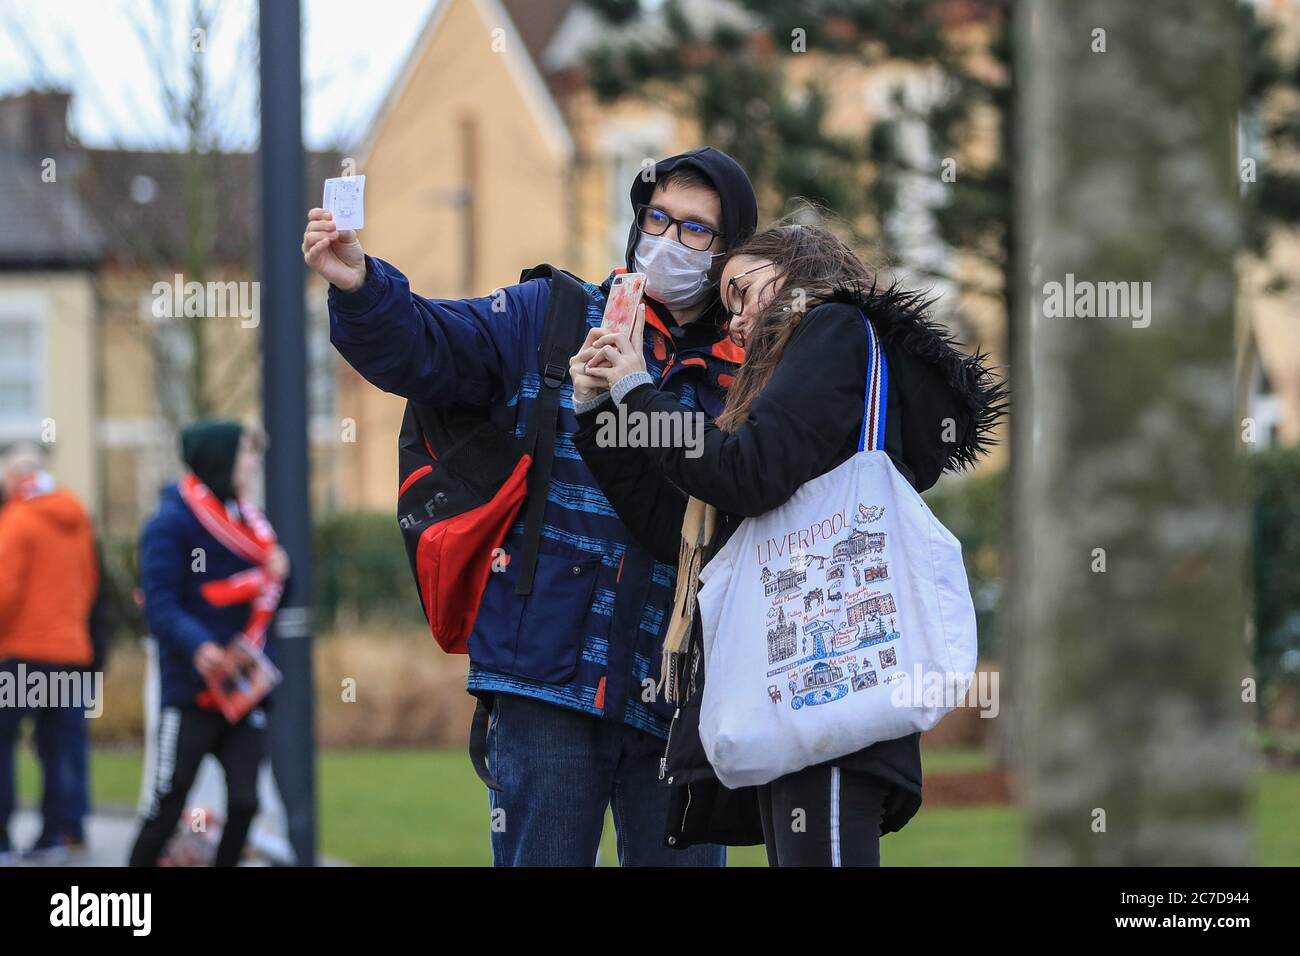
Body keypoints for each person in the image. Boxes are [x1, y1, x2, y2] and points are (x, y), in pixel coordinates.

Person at [305, 147, 758, 866]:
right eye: (658, 219)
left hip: (679, 693)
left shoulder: (744, 377)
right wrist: (362, 286)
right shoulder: (552, 316)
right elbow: (430, 346)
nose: (669, 241)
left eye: (696, 230)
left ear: (729, 253)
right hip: (545, 675)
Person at [570, 222, 1006, 866]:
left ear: (798, 268)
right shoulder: (796, 382)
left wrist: (639, 391)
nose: (736, 320)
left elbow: (748, 473)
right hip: (802, 697)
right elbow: (681, 534)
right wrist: (599, 411)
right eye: (728, 307)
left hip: (825, 697)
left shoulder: (833, 328)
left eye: (743, 291)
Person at [127, 421, 289, 867]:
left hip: (241, 688)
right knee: (167, 805)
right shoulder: (170, 522)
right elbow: (159, 603)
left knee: (245, 804)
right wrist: (198, 644)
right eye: (245, 454)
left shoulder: (254, 524)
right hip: (191, 692)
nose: (253, 463)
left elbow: (271, 600)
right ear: (220, 460)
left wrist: (280, 572)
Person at [0, 442, 100, 865]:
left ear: (13, 477)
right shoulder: (76, 520)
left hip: (22, 649)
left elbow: (5, 592)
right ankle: (58, 833)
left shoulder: (17, 521)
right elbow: (91, 586)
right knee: (60, 747)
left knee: (3, 744)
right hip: (70, 651)